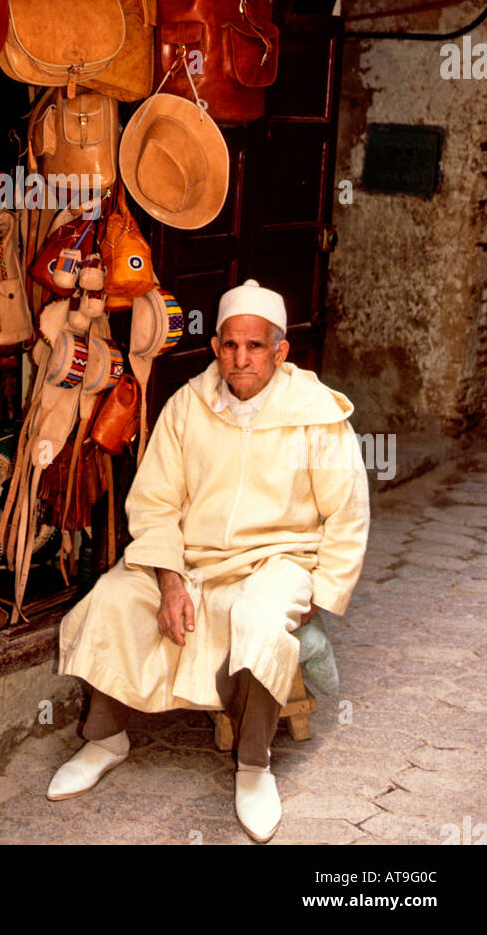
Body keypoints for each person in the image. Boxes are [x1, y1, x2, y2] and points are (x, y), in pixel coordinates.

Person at [49, 279, 370, 843]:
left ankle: (253, 767)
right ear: (216, 347)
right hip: (192, 560)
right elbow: (153, 503)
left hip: (277, 560)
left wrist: (320, 594)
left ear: (280, 351)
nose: (240, 359)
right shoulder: (188, 406)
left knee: (259, 620)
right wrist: (171, 581)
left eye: (255, 346)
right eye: (229, 345)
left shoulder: (316, 416)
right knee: (115, 597)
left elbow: (347, 514)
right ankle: (106, 738)